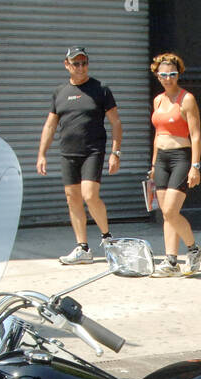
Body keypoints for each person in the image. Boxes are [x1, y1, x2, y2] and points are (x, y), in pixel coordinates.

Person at [36, 47, 122, 266]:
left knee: (90, 195)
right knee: (72, 198)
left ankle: (107, 239)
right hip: (68, 152)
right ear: (67, 65)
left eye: (84, 63)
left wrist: (115, 152)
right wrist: (42, 154)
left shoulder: (100, 89)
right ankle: (83, 248)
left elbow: (115, 122)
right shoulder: (60, 92)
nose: (81, 67)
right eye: (76, 64)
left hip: (93, 150)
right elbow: (50, 125)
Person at [147, 53, 201, 277]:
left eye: (172, 74)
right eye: (163, 75)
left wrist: (195, 166)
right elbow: (157, 134)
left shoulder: (186, 99)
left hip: (181, 156)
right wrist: (153, 164)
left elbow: (196, 135)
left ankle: (193, 249)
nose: (168, 79)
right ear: (157, 76)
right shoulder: (158, 100)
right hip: (161, 158)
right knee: (165, 213)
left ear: (178, 74)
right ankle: (171, 261)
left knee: (171, 210)